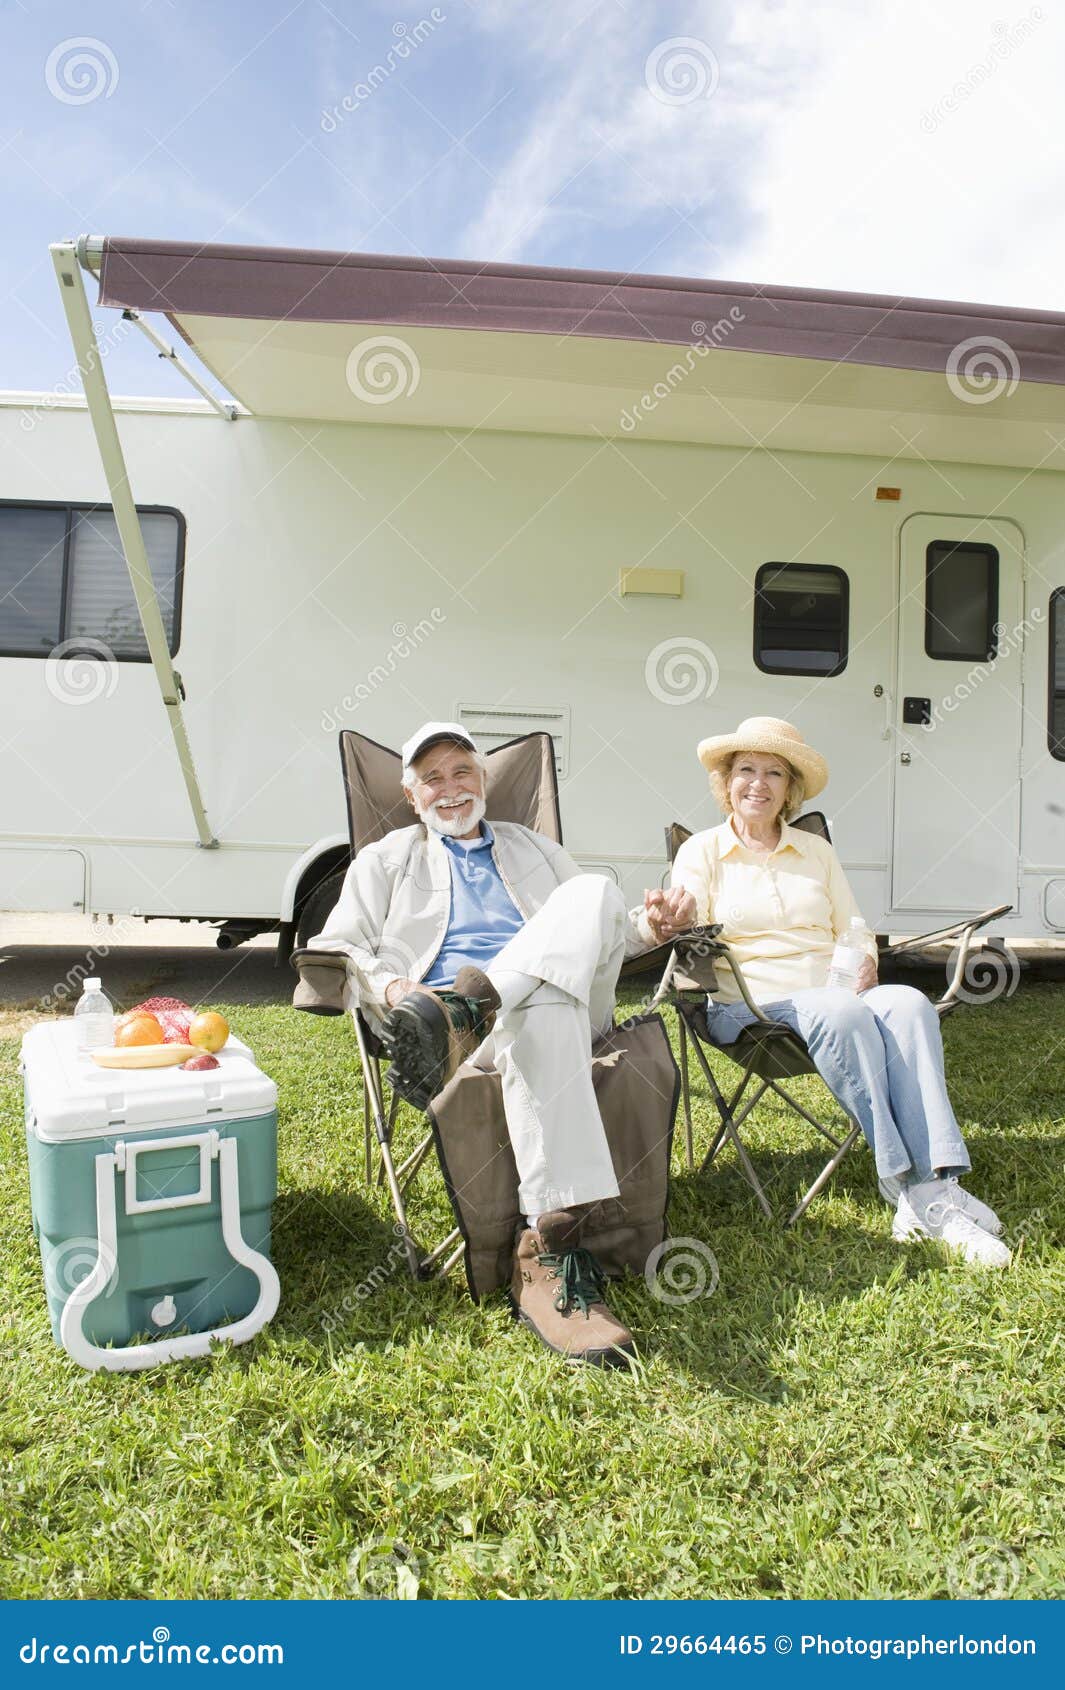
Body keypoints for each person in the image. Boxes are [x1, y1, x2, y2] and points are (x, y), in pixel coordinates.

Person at [307, 720, 697, 1362]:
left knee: (594, 890)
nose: (451, 789)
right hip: (460, 1035)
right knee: (542, 1011)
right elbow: (338, 945)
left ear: (483, 780)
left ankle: (477, 1000)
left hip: (531, 1011)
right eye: (432, 778)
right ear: (412, 797)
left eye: (463, 772)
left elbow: (601, 934)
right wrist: (392, 986)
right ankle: (551, 1246)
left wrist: (651, 929)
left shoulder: (531, 847)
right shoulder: (385, 860)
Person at [669, 716, 1009, 1268]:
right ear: (726, 782)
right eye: (746, 770)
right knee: (840, 1010)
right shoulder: (703, 852)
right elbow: (684, 928)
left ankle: (934, 1185)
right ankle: (911, 1186)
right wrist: (674, 919)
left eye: (773, 773)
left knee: (907, 1003)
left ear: (789, 788)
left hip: (832, 995)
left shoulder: (815, 851)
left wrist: (867, 963)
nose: (757, 783)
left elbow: (854, 927)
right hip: (748, 1010)